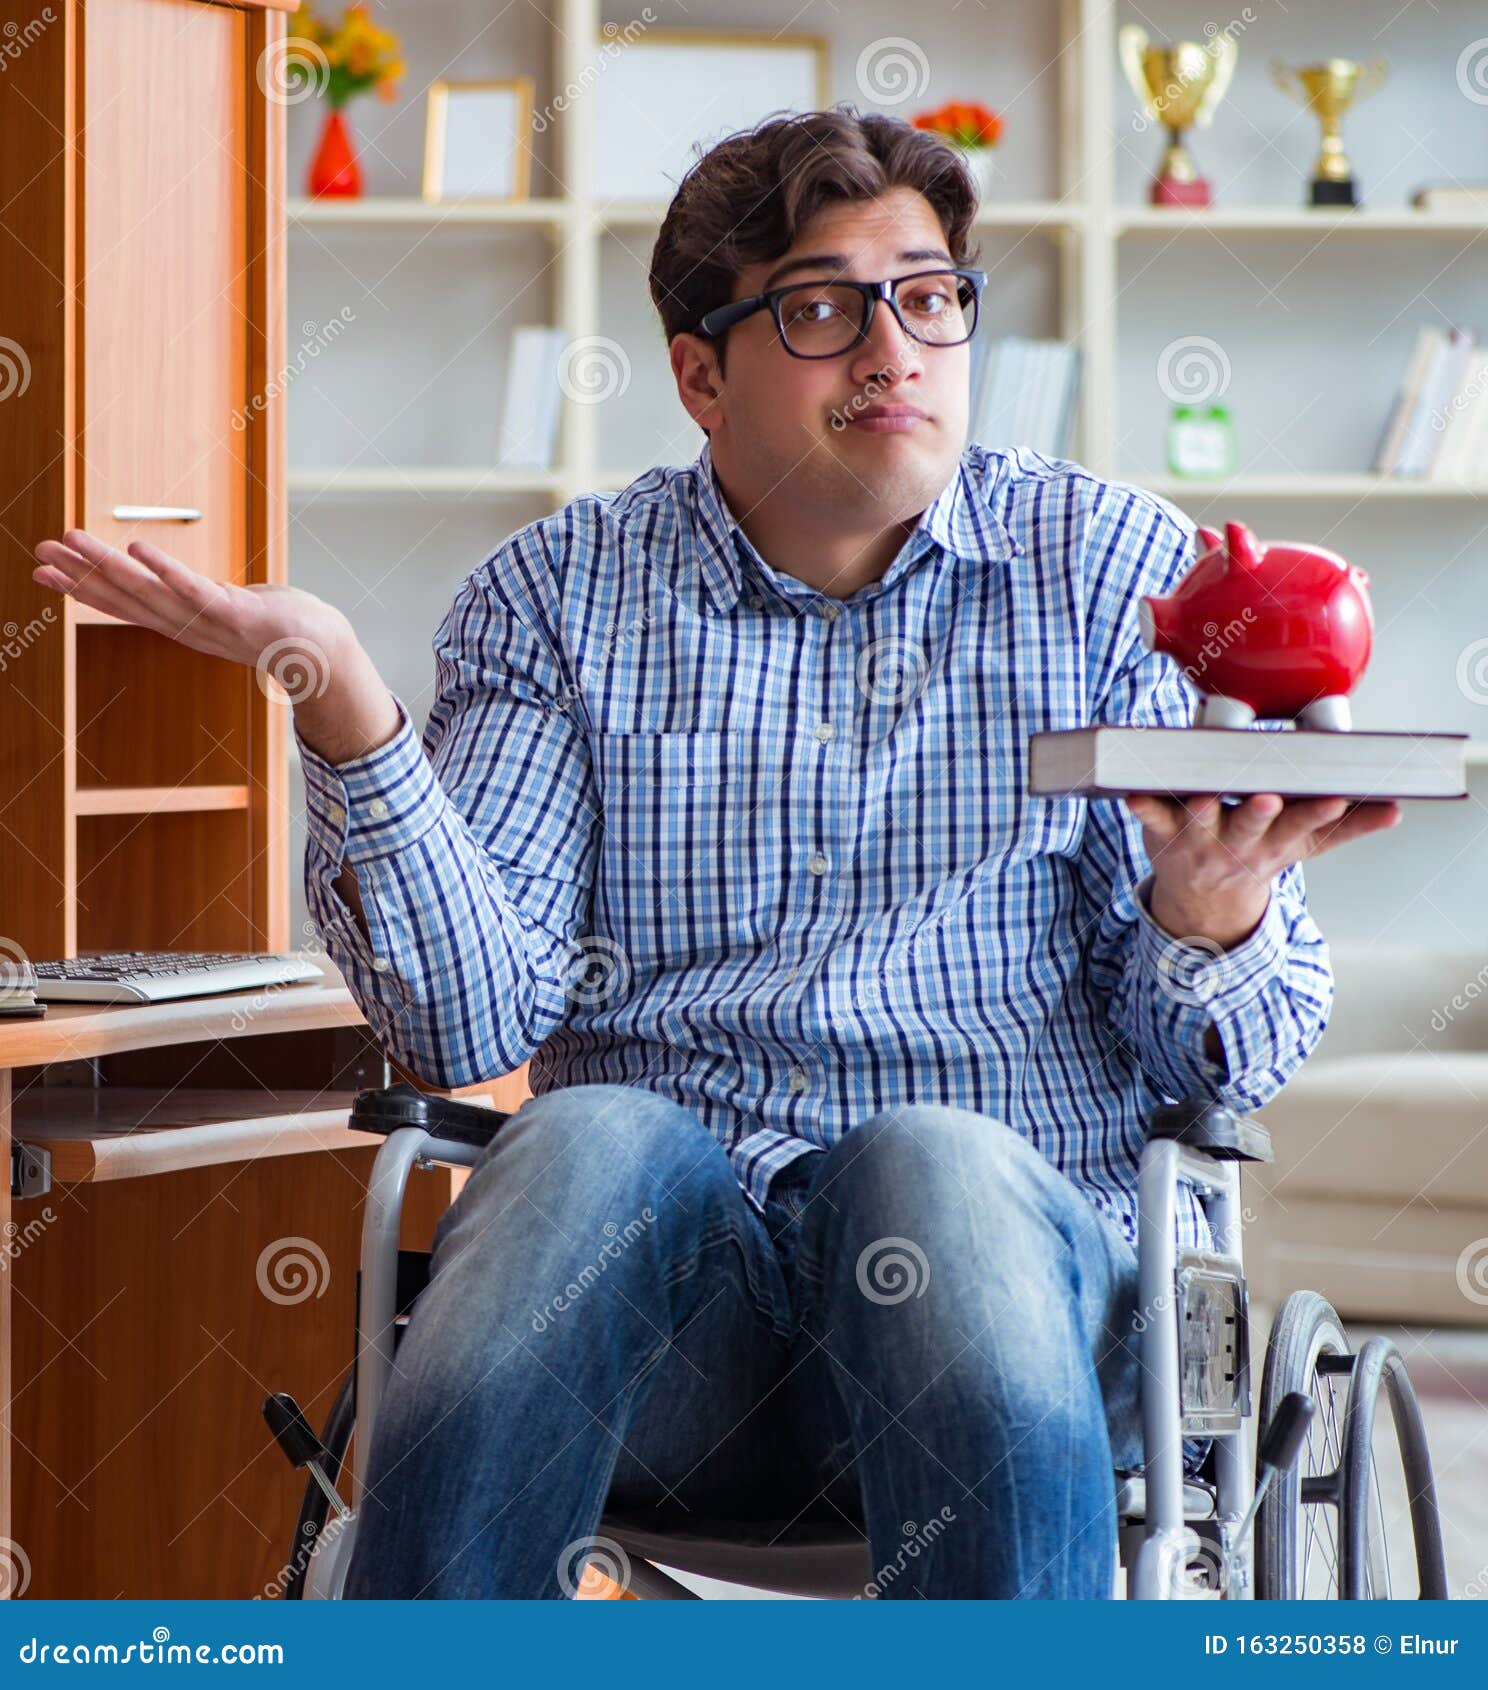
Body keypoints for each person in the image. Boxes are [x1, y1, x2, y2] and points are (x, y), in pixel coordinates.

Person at [31, 104, 1400, 1600]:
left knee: (932, 1165)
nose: (895, 351)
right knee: (585, 1135)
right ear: (699, 372)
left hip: (1014, 1315)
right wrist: (352, 710)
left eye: (931, 297)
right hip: (680, 1348)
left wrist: (1209, 913)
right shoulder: (556, 600)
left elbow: (1233, 1061)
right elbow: (463, 1026)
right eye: (823, 307)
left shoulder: (1116, 577)